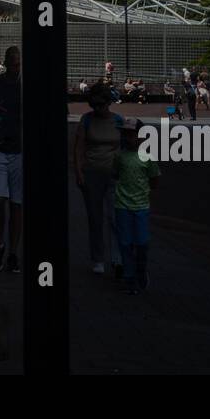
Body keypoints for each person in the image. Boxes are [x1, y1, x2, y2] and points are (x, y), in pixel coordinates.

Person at [73, 82, 123, 276]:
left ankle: (117, 258)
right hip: (92, 173)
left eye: (102, 105)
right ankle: (98, 258)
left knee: (115, 218)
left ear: (108, 103)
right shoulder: (86, 120)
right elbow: (78, 147)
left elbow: (126, 145)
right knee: (95, 218)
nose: (99, 109)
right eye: (96, 105)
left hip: (113, 173)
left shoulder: (118, 120)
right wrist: (78, 172)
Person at [113, 118, 160, 295]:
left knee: (142, 243)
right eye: (125, 134)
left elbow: (154, 179)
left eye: (131, 134)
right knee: (125, 243)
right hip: (122, 205)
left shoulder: (147, 158)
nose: (127, 137)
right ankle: (129, 277)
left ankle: (140, 269)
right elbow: (116, 173)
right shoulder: (119, 156)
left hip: (141, 206)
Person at [0, 45, 23, 273]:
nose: (15, 68)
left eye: (17, 64)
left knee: (14, 203)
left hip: (13, 148)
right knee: (2, 201)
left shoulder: (15, 84)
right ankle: (3, 246)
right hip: (1, 147)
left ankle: (10, 251)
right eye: (13, 63)